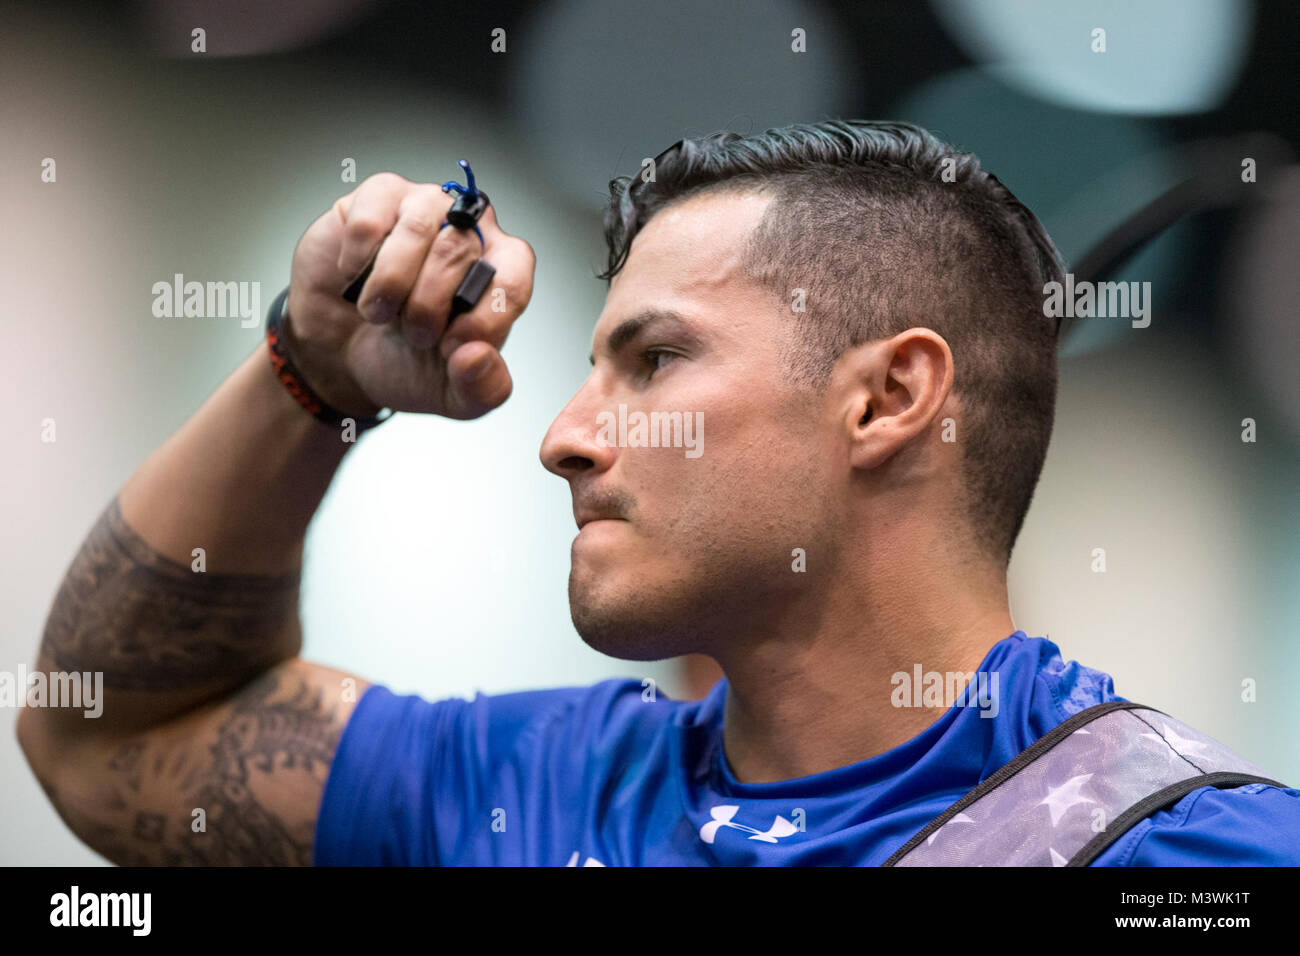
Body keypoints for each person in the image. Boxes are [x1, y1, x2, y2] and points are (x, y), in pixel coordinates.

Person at [18, 120, 1299, 866]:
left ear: (888, 399)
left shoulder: (1184, 854)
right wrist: (306, 380)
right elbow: (101, 737)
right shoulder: (538, 786)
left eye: (654, 360)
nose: (563, 437)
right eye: (592, 366)